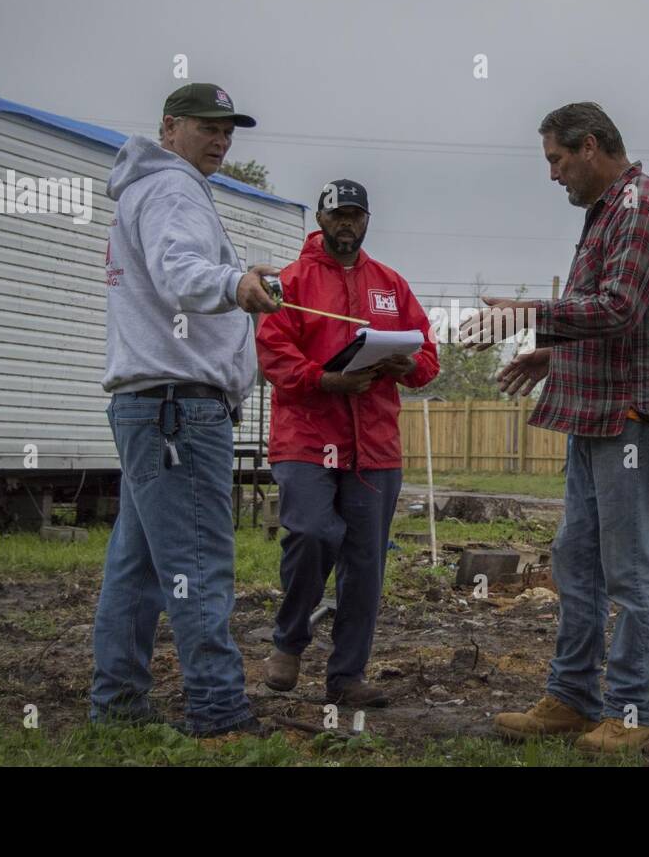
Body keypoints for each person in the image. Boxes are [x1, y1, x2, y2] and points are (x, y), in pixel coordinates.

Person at [462, 102, 649, 753]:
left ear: (590, 146)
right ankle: (571, 700)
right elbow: (608, 317)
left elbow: (620, 308)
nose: (554, 175)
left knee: (631, 569)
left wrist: (526, 316)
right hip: (594, 413)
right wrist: (551, 351)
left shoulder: (641, 206)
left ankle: (633, 712)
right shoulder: (606, 213)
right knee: (577, 561)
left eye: (557, 161)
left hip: (631, 417)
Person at [92, 83, 282, 737]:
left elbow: (173, 269)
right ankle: (220, 712)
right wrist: (234, 283)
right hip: (178, 411)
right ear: (169, 127)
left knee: (137, 566)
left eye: (229, 129)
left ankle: (116, 705)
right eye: (208, 126)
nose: (222, 138)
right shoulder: (173, 190)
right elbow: (180, 273)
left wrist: (234, 274)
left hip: (149, 407)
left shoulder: (147, 191)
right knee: (199, 563)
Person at [256, 179, 439, 707]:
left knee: (365, 564)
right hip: (308, 440)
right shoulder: (290, 283)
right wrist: (325, 380)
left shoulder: (391, 284)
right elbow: (273, 354)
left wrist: (408, 364)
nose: (347, 224)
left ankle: (347, 678)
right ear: (320, 218)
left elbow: (427, 358)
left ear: (367, 220)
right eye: (338, 215)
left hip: (375, 448)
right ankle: (289, 641)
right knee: (313, 533)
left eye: (356, 215)